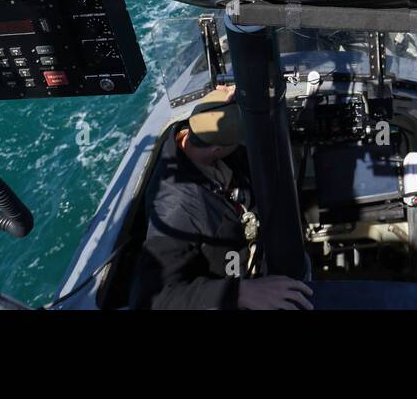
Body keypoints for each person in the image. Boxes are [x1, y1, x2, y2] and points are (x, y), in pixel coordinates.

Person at [130, 86, 314, 309]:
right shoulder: (175, 209)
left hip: (260, 252)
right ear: (216, 150)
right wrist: (238, 293)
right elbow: (152, 299)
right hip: (236, 285)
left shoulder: (199, 136)